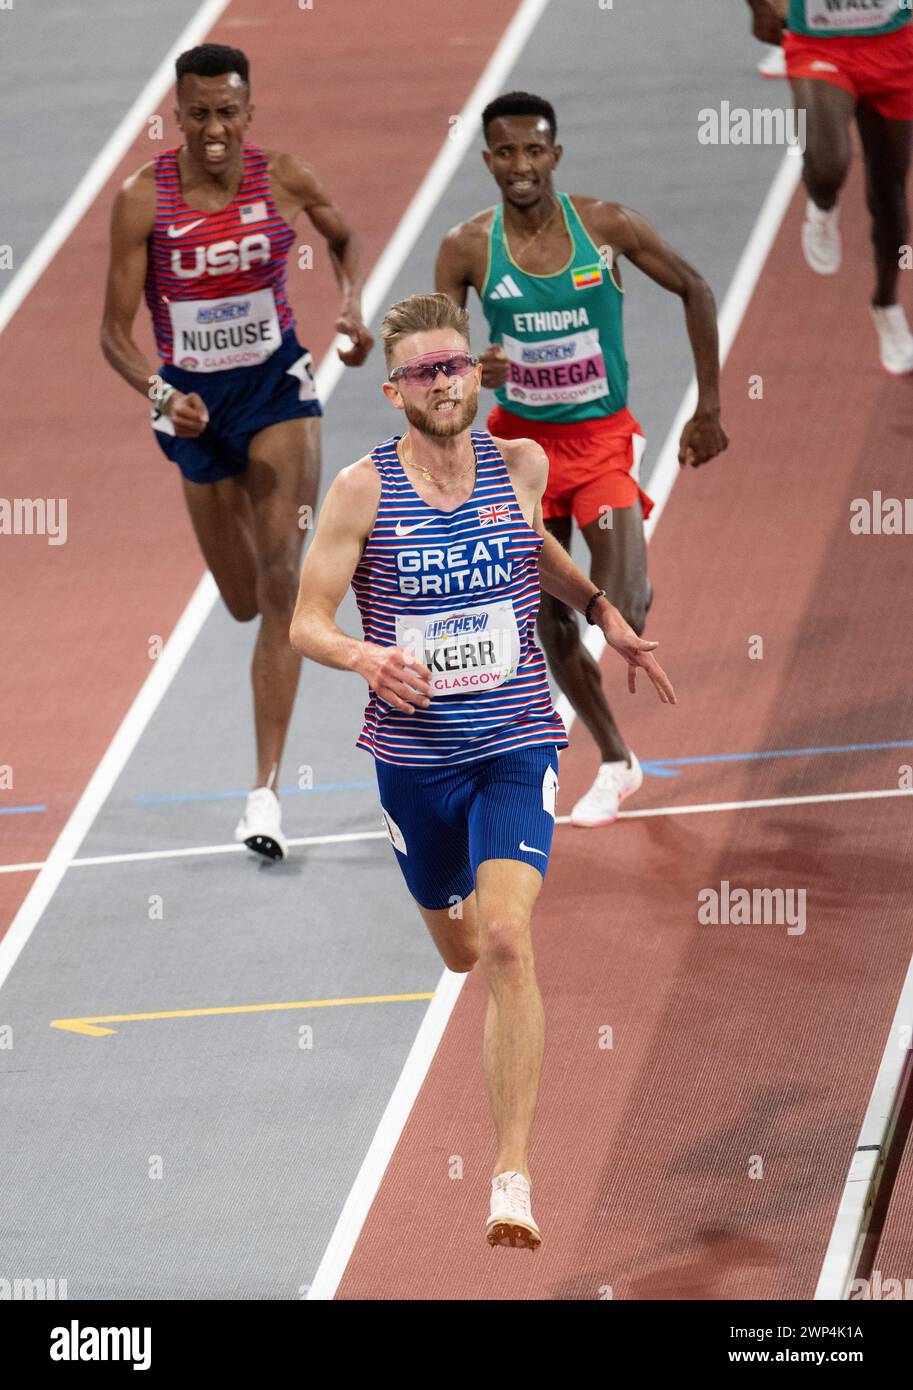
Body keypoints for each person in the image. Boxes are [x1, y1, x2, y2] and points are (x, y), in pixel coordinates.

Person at [289, 292, 675, 1247]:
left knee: (505, 941)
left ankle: (510, 1175)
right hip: (415, 760)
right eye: (424, 371)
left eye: (455, 365)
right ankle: (448, 908)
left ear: (474, 374)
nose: (444, 382)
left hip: (515, 741)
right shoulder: (360, 492)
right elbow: (305, 619)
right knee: (458, 950)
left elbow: (529, 545)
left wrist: (600, 611)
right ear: (394, 391)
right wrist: (364, 658)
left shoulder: (521, 464)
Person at [101, 42, 372, 860]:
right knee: (243, 598)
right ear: (176, 114)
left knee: (284, 580)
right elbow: (113, 333)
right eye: (198, 114)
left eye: (227, 113)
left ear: (248, 113)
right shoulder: (141, 200)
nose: (213, 129)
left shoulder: (282, 177)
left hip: (275, 390)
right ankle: (260, 567)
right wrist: (158, 393)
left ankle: (263, 795)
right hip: (191, 407)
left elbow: (343, 236)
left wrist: (352, 308)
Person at [435, 92, 726, 828]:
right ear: (487, 160)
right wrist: (473, 369)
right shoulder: (467, 248)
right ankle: (617, 760)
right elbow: (433, 366)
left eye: (534, 151)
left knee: (620, 606)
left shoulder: (606, 226)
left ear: (554, 155)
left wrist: (710, 407)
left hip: (598, 443)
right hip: (520, 452)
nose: (520, 165)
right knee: (550, 626)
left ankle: (620, 634)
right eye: (505, 152)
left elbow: (694, 287)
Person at [747, 0, 913, 374]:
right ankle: (822, 205)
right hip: (820, 44)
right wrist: (757, 6)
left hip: (895, 46)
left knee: (890, 194)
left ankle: (886, 304)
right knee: (828, 164)